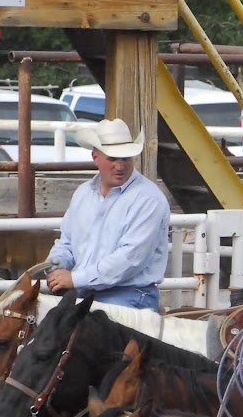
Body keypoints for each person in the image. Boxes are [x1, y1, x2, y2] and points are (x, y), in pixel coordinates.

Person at [44, 118, 170, 311]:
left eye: (126, 158)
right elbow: (67, 241)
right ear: (96, 157)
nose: (120, 166)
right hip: (89, 291)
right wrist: (57, 264)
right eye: (112, 159)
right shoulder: (84, 193)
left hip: (130, 294)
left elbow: (130, 259)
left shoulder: (149, 199)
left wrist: (73, 278)